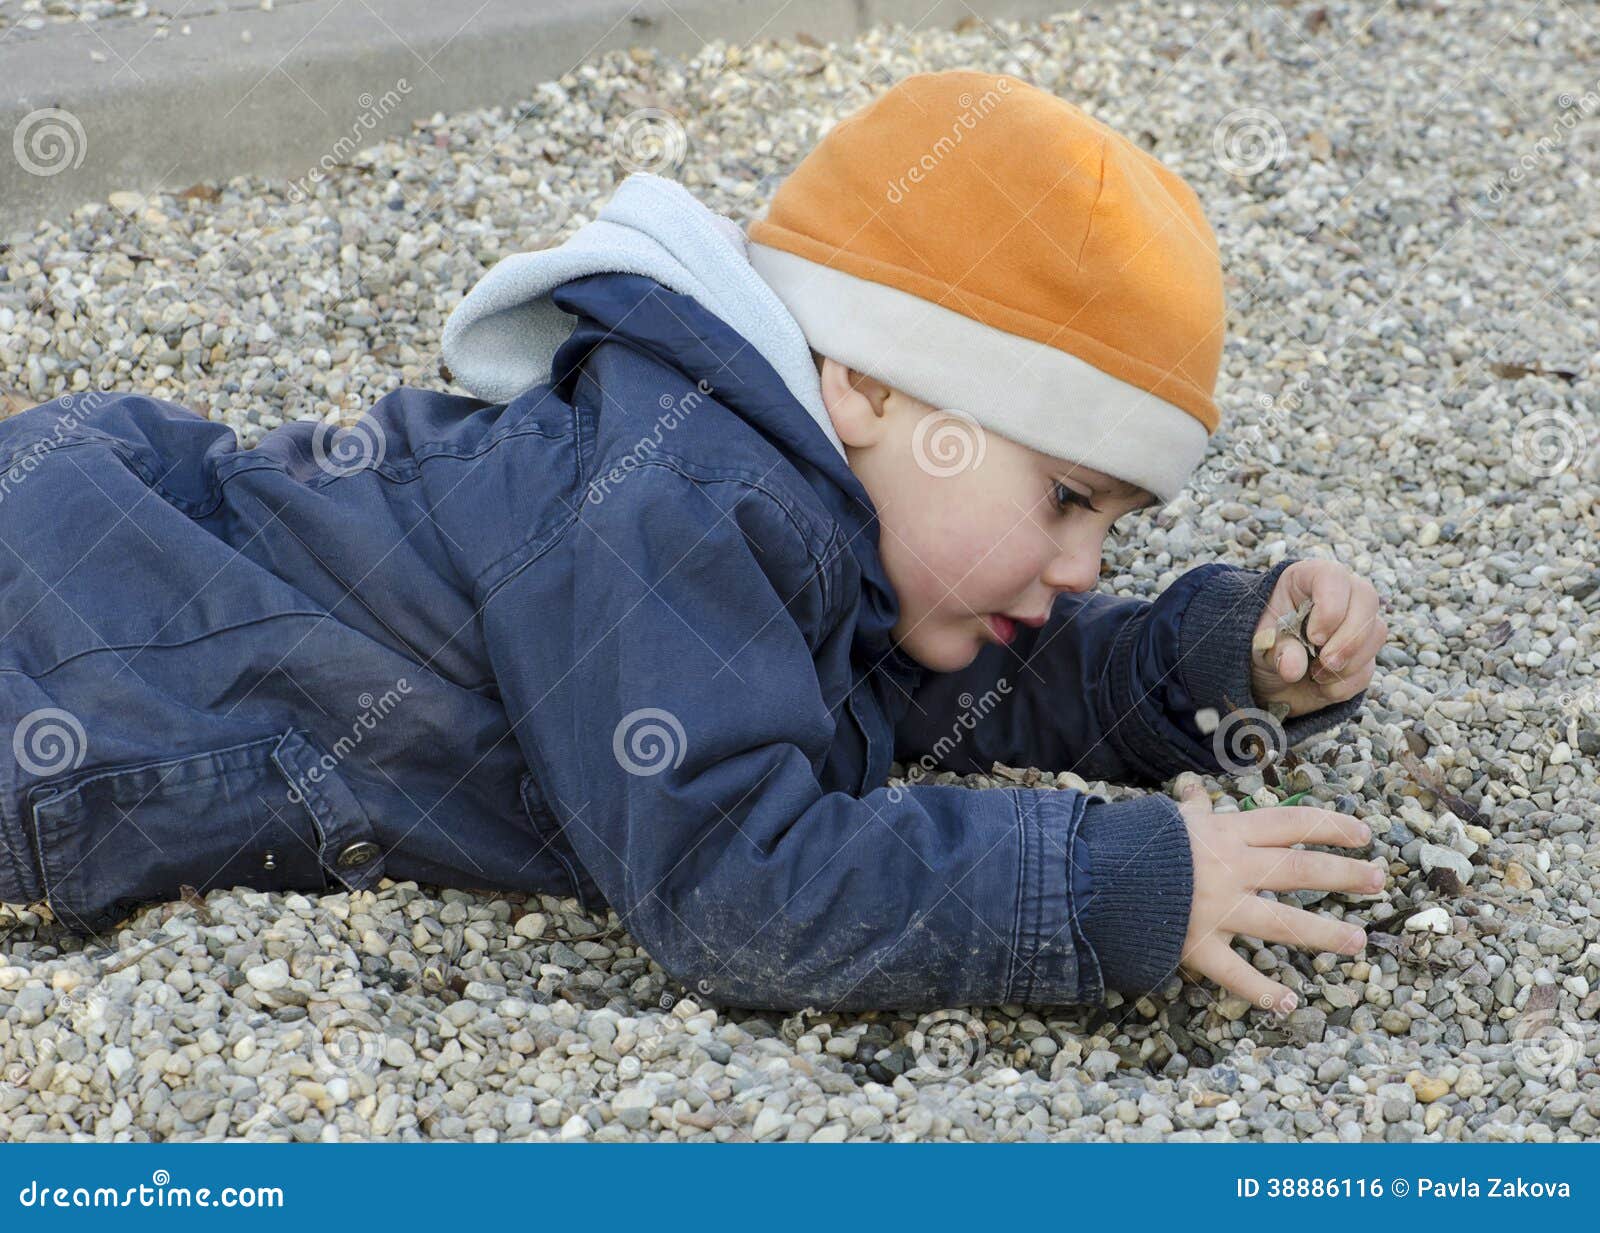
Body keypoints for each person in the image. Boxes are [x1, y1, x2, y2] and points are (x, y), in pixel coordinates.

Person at [0, 70, 1386, 1015]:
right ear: (872, 387)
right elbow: (738, 881)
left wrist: (1212, 657)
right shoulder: (694, 505)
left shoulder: (809, 502)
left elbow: (963, 686)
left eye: (1111, 528)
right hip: (70, 658)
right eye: (1067, 500)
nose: (1082, 563)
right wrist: (1100, 887)